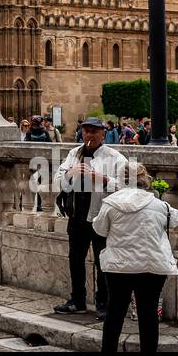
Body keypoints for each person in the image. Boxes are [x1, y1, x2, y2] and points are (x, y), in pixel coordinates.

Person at [94, 161, 178, 353]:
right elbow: (176, 219)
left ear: (120, 179)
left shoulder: (110, 203)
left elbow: (100, 229)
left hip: (119, 266)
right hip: (151, 266)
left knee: (115, 312)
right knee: (148, 314)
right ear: (145, 179)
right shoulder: (160, 205)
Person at [53, 117, 127, 319]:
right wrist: (70, 173)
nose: (89, 135)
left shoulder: (115, 158)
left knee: (103, 261)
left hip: (101, 217)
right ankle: (78, 300)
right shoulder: (73, 154)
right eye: (86, 131)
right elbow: (58, 180)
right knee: (75, 259)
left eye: (94, 131)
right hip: (77, 216)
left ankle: (103, 302)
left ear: (103, 134)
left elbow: (125, 187)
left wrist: (100, 178)